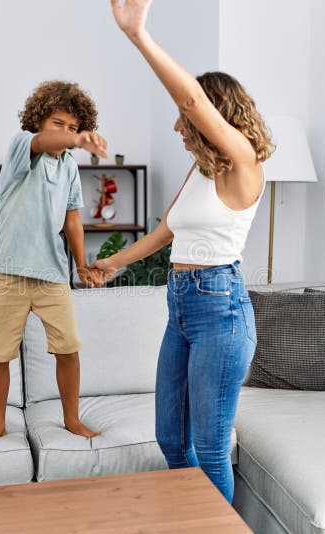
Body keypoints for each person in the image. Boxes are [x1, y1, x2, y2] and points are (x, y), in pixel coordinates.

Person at [94, 0, 275, 501]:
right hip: (182, 306)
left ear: (212, 115)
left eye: (183, 117)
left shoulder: (244, 165)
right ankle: (189, 519)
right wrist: (111, 263)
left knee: (210, 446)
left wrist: (138, 36)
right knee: (171, 438)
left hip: (221, 309)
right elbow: (164, 232)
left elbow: (193, 102)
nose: (178, 126)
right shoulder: (202, 170)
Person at [0, 80, 108, 441]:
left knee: (68, 349)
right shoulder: (22, 145)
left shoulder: (69, 169)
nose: (66, 134)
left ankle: (72, 420)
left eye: (75, 128)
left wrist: (81, 265)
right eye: (58, 124)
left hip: (51, 273)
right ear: (39, 121)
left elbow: (73, 219)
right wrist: (76, 141)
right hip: (7, 272)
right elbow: (42, 143)